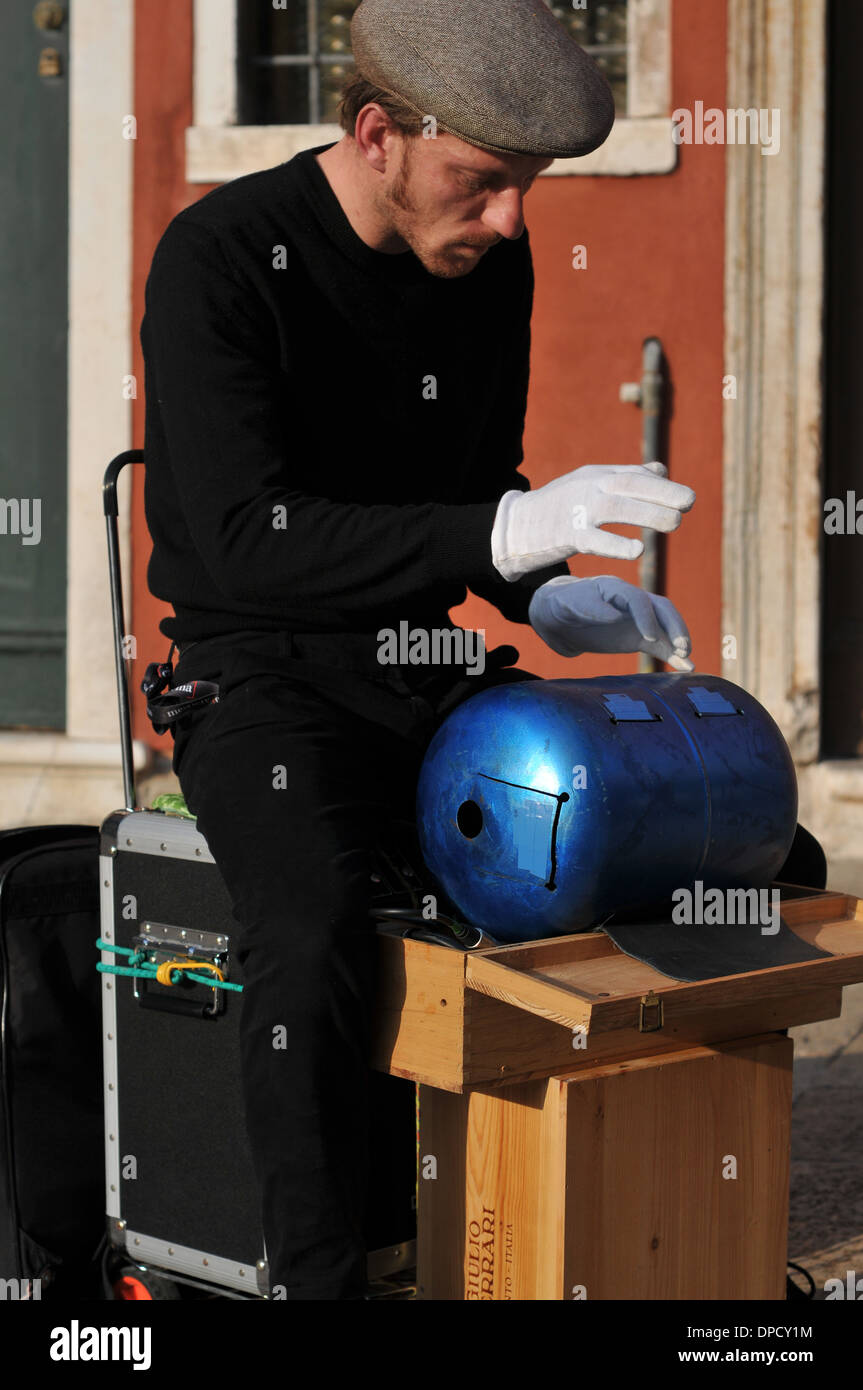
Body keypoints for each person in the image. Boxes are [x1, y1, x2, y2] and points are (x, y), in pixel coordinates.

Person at [140, 0, 698, 1300]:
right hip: (257, 674)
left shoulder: (488, 266)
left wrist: (549, 590)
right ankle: (327, 1278)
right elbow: (241, 541)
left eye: (530, 186)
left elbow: (473, 488)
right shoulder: (219, 257)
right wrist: (505, 532)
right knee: (317, 924)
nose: (511, 217)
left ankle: (615, 1240)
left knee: (683, 850)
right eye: (486, 179)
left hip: (416, 663)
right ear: (378, 131)